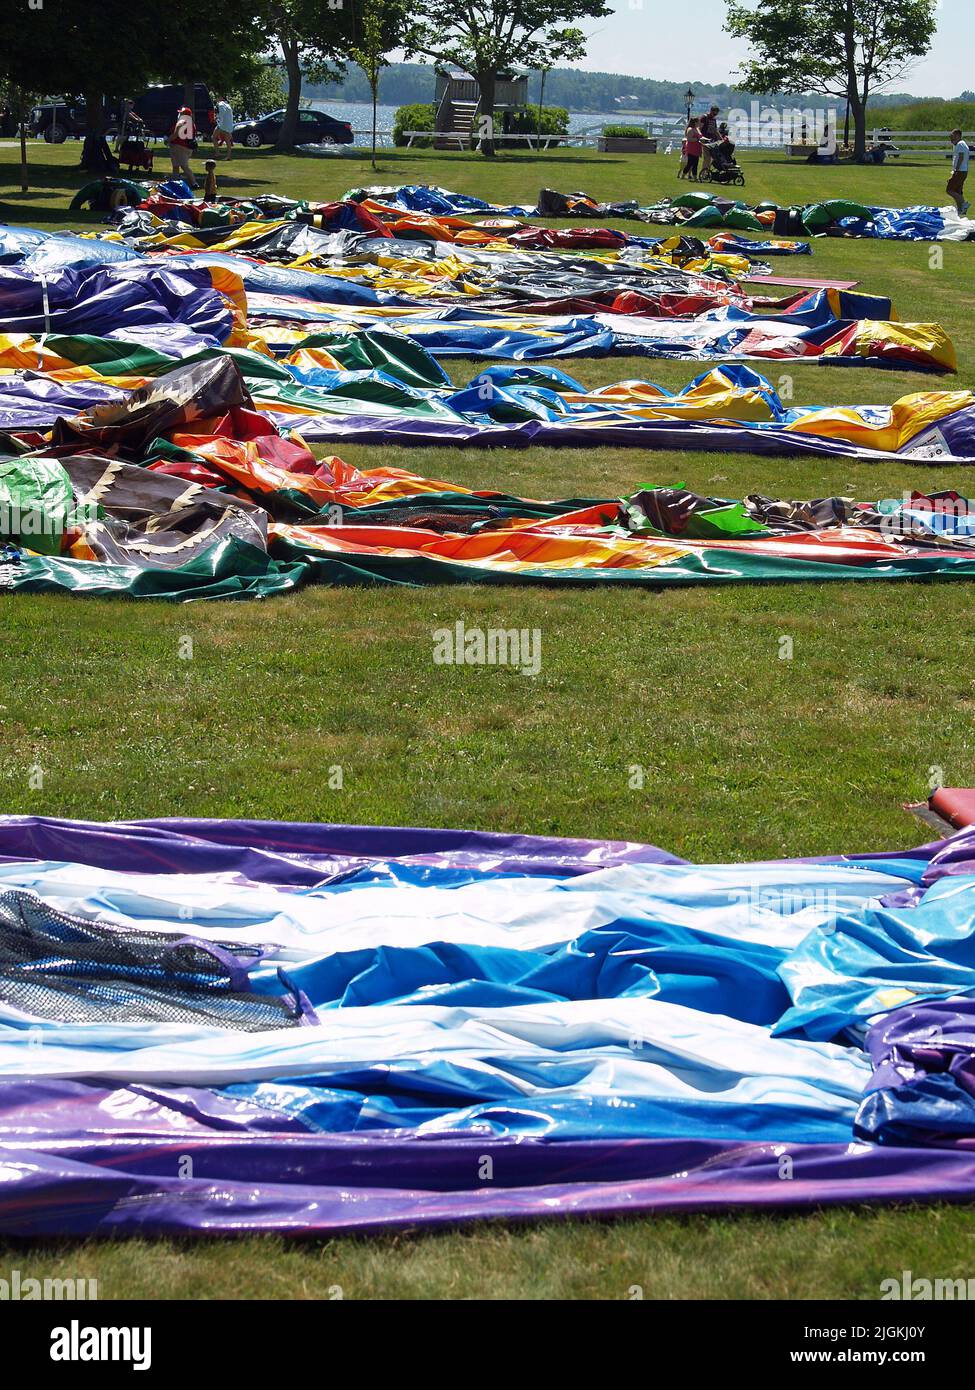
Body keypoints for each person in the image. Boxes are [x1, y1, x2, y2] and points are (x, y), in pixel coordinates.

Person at [168, 106, 198, 188]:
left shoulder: (182, 122)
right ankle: (175, 182)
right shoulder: (191, 122)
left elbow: (175, 134)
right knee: (176, 165)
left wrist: (168, 140)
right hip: (185, 147)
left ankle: (194, 183)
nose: (179, 114)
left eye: (181, 113)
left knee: (184, 166)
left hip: (180, 147)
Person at [947, 128, 970, 215]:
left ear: (957, 135)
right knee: (957, 191)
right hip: (962, 171)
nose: (951, 139)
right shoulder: (960, 144)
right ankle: (961, 210)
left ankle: (964, 204)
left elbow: (961, 157)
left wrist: (956, 170)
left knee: (949, 189)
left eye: (952, 136)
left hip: (960, 171)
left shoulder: (960, 144)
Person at [699, 105, 720, 176]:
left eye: (716, 114)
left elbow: (715, 130)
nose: (714, 115)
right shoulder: (704, 117)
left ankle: (707, 173)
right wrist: (701, 137)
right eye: (714, 113)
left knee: (711, 158)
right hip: (705, 140)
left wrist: (720, 138)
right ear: (711, 111)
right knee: (707, 158)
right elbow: (699, 128)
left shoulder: (714, 119)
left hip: (712, 141)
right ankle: (703, 174)